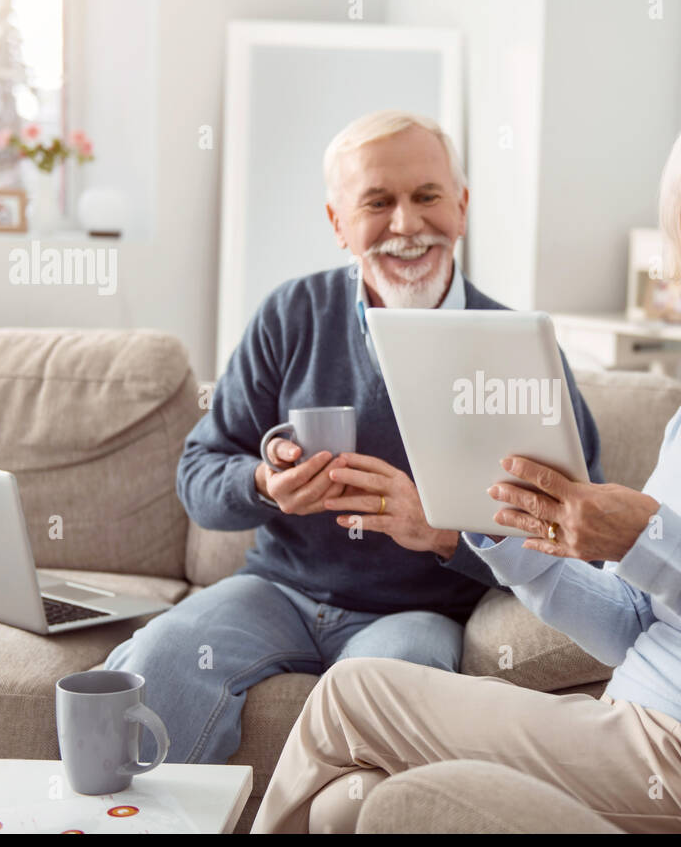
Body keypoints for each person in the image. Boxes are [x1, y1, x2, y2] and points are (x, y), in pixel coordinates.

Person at [250, 92, 681, 834]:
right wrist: (515, 540)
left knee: (350, 695)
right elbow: (632, 625)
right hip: (644, 729)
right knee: (341, 807)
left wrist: (653, 542)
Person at [105, 109, 603, 765]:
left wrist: (446, 534)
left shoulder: (515, 348)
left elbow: (578, 539)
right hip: (276, 592)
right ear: (339, 224)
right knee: (157, 661)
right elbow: (200, 475)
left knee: (386, 696)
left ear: (461, 206)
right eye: (378, 202)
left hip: (415, 614)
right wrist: (262, 484)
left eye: (427, 196)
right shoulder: (292, 315)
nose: (406, 224)